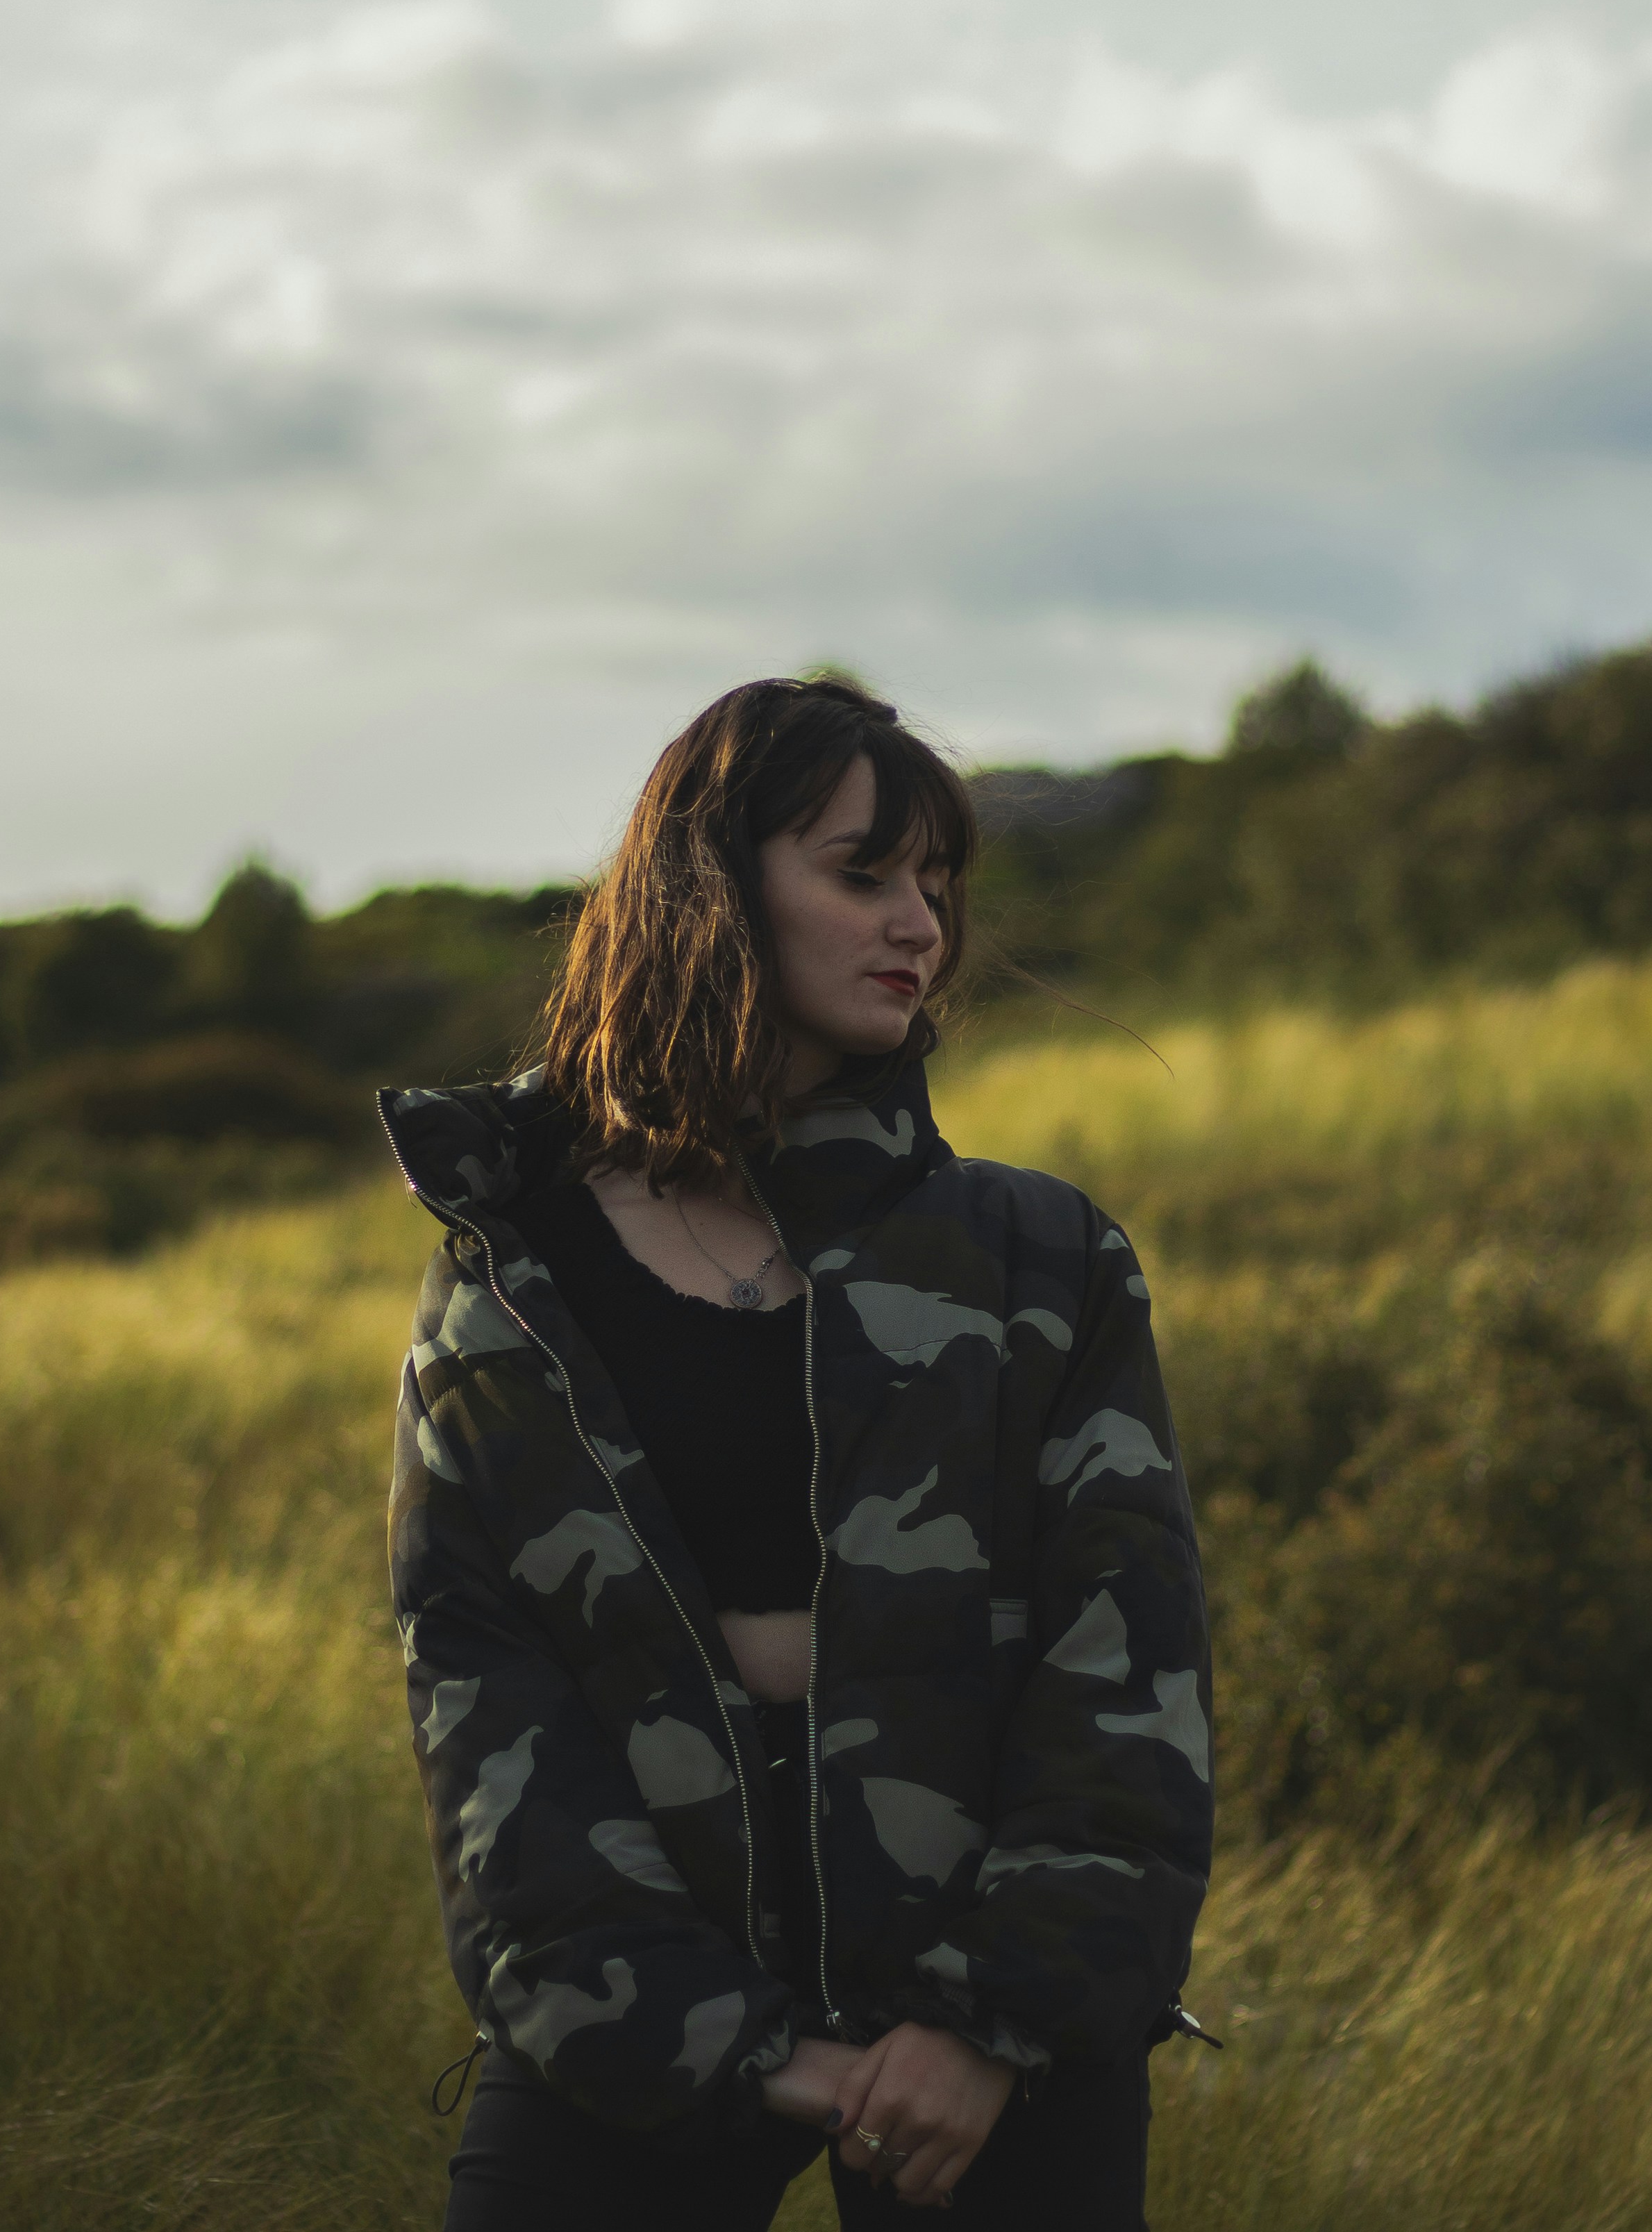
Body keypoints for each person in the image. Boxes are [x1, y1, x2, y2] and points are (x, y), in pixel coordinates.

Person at [383, 677, 1212, 2229]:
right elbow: (482, 1685)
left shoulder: (1040, 1258)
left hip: (992, 2019)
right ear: (711, 885)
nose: (920, 926)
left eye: (937, 887)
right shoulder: (513, 1268)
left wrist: (985, 2027)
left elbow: (1130, 1672)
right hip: (641, 2009)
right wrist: (735, 2048)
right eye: (862, 873)